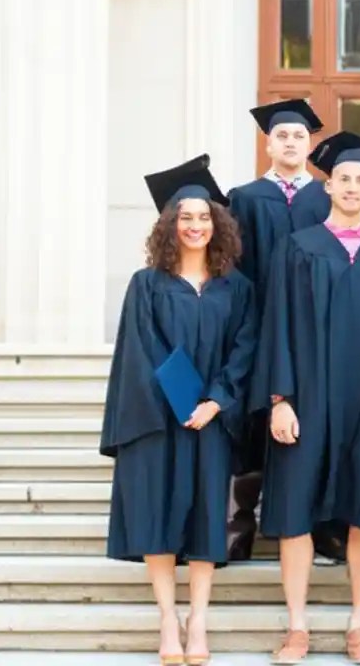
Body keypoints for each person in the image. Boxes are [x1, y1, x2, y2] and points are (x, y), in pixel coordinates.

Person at [252, 132, 360, 665]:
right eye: (344, 178)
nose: (352, 187)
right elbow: (278, 327)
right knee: (295, 514)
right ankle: (297, 627)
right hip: (307, 400)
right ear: (329, 184)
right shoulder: (298, 247)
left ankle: (358, 625)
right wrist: (280, 399)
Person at [103, 155, 256, 666]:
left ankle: (198, 621)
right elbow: (141, 350)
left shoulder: (238, 288)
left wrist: (215, 400)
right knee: (159, 516)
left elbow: (244, 350)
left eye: (204, 217)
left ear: (218, 225)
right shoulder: (145, 284)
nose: (195, 225)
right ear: (170, 225)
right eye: (185, 217)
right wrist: (181, 401)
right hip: (156, 422)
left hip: (209, 421)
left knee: (207, 519)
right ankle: (168, 618)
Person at [225, 98, 341, 562]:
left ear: (309, 143)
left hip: (314, 332)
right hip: (257, 325)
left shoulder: (323, 196)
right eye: (282, 136)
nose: (291, 142)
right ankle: (241, 525)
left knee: (311, 427)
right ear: (268, 142)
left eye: (298, 136)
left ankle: (317, 525)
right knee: (253, 427)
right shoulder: (246, 197)